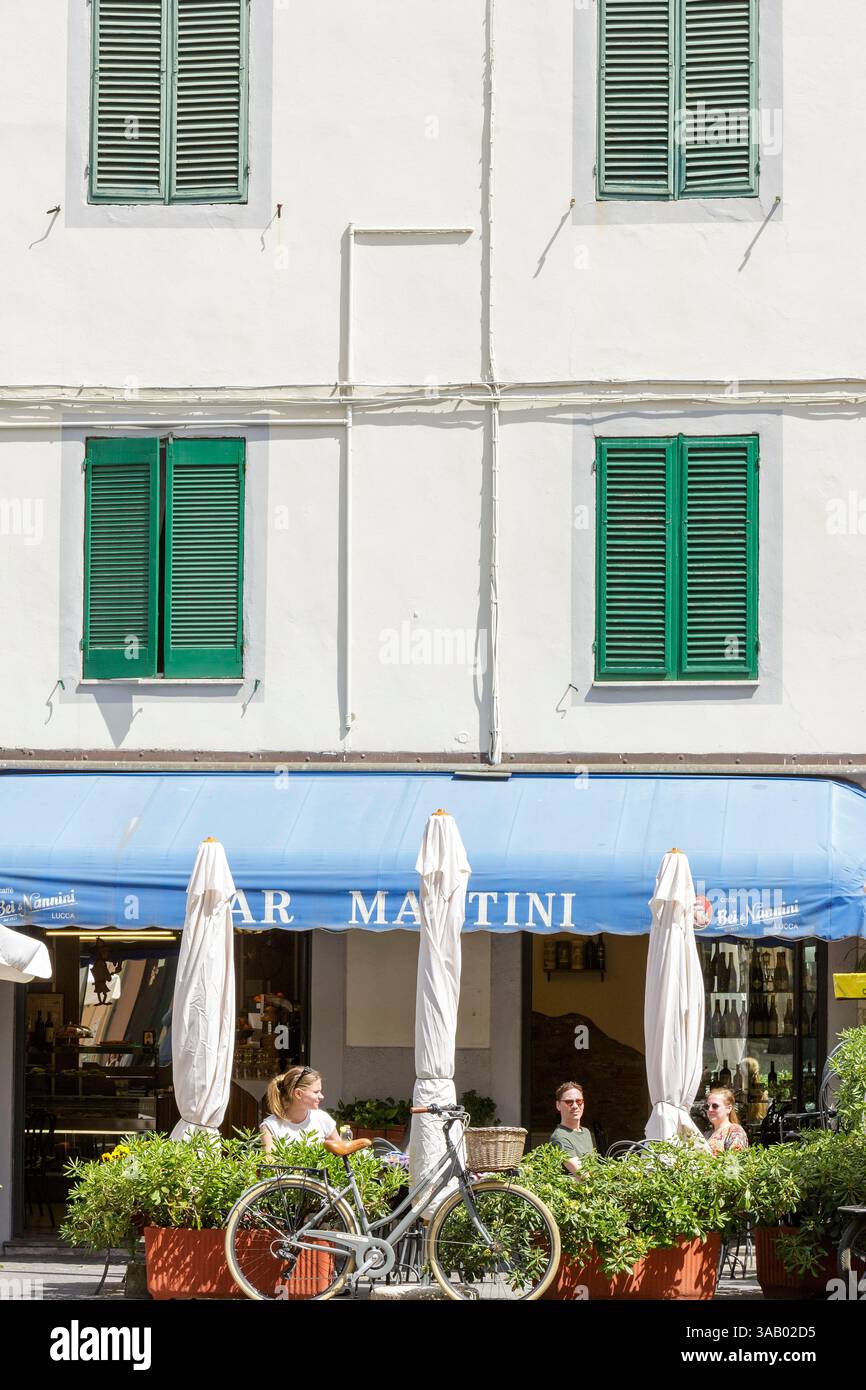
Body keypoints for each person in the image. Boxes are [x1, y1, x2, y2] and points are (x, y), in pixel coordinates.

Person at [260, 1064, 371, 1158]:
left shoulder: (322, 1118)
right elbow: (270, 1167)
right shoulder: (270, 1126)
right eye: (316, 1092)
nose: (321, 1096)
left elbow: (342, 1154)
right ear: (298, 1094)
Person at [549, 1081, 596, 1175]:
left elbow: (593, 1167)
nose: (575, 1106)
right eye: (569, 1102)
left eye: (579, 1101)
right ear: (558, 1105)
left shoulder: (586, 1132)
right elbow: (582, 1174)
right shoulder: (560, 1137)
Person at [705, 1087, 749, 1155]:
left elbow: (735, 1162)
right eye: (707, 1106)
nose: (710, 1109)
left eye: (715, 1106)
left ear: (728, 1108)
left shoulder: (735, 1132)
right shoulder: (707, 1134)